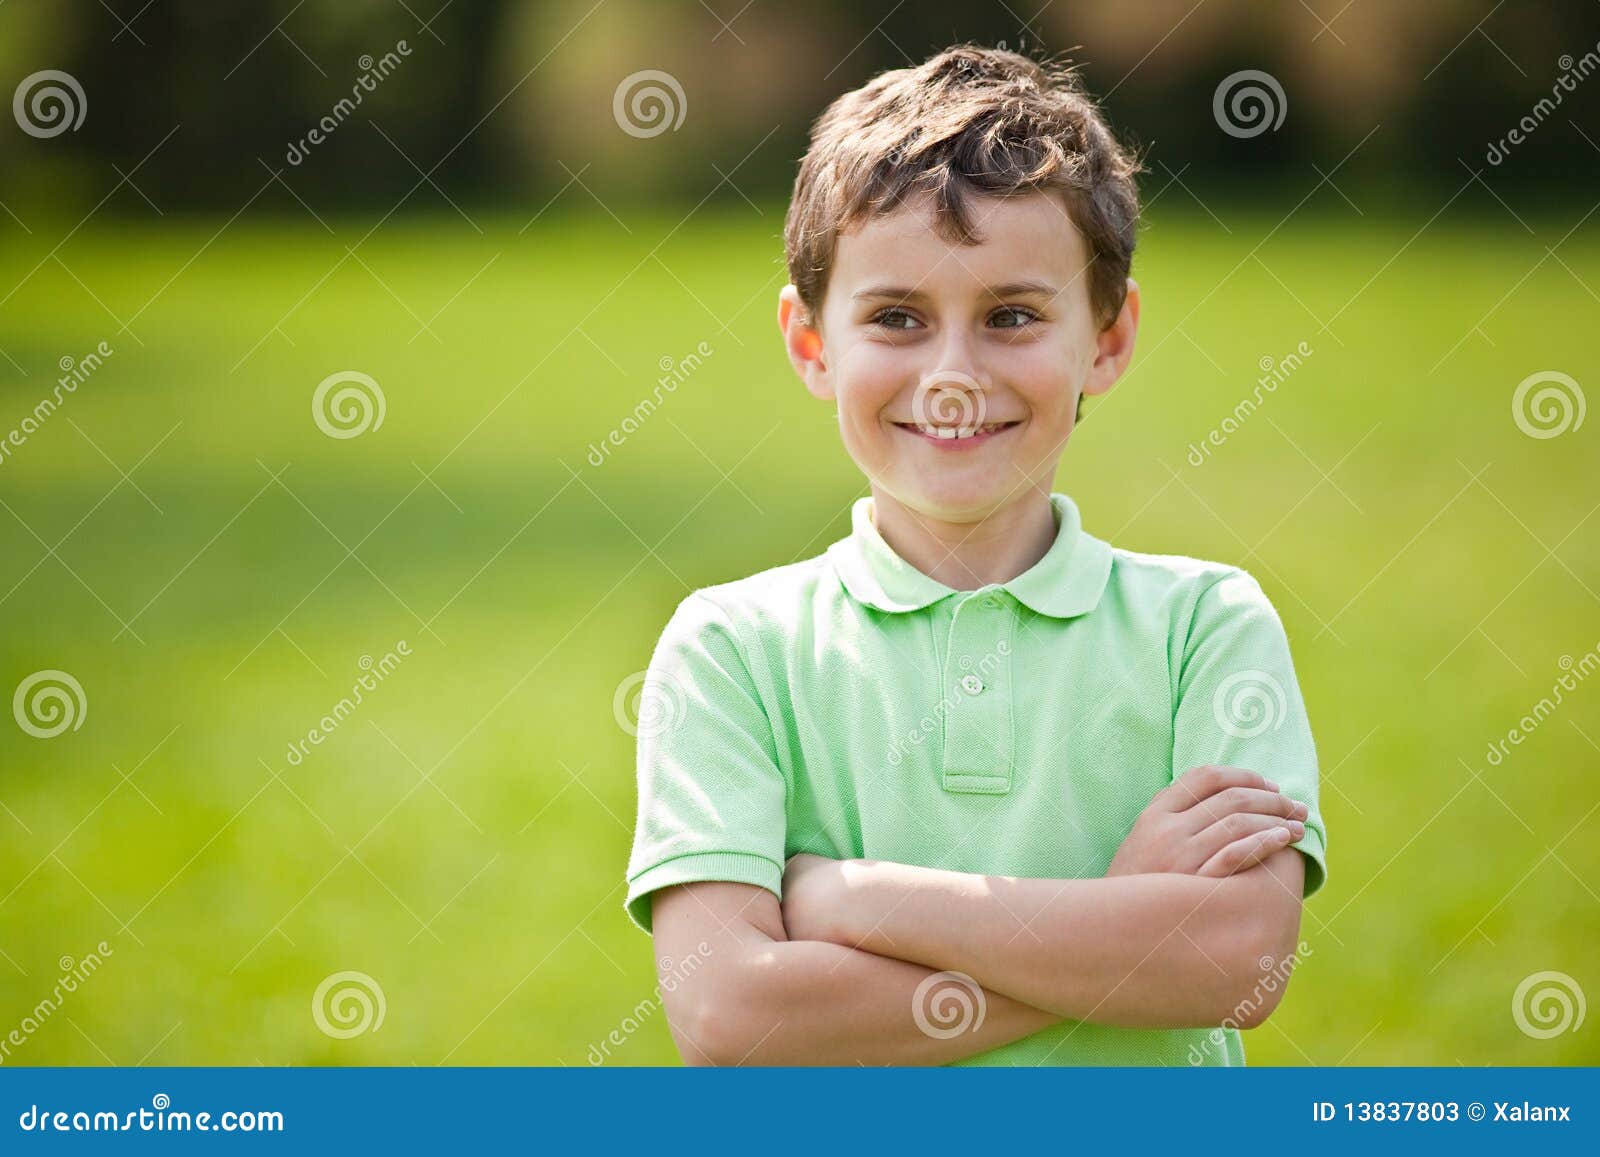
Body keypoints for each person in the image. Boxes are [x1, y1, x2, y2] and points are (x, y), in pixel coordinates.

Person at [624, 43, 1326, 1066]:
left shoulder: (1202, 628)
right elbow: (734, 1018)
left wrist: (857, 898)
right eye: (897, 318)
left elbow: (1239, 962)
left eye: (1010, 316)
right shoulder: (732, 648)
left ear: (1108, 336)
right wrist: (1120, 923)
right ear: (811, 342)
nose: (952, 378)